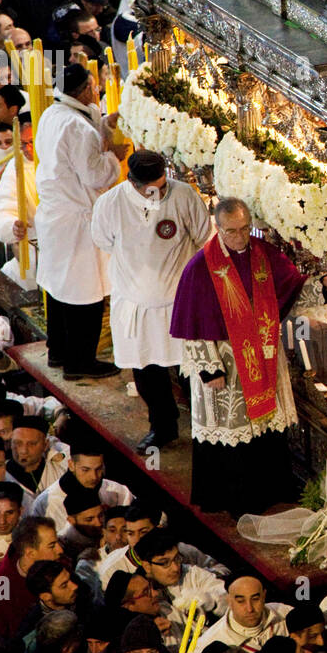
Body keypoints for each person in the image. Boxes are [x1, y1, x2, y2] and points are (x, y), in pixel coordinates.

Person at [169, 197, 327, 515]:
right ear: (218, 227)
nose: (240, 237)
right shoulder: (201, 267)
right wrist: (209, 369)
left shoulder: (264, 254)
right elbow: (194, 325)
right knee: (234, 431)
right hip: (227, 366)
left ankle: (273, 489)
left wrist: (323, 285)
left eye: (245, 229)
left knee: (267, 429)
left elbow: (292, 290)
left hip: (266, 355)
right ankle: (237, 498)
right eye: (231, 231)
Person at [91, 150, 211, 453]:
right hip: (135, 305)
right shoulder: (110, 203)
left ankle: (205, 429)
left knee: (191, 371)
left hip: (179, 302)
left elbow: (202, 238)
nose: (157, 193)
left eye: (161, 185)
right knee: (147, 374)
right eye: (149, 189)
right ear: (131, 182)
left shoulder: (183, 195)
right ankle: (163, 428)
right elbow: (102, 240)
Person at [34, 64, 128, 379]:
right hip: (76, 219)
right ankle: (80, 363)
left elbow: (77, 143)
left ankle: (58, 353)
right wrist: (114, 154)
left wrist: (104, 123)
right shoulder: (80, 128)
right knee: (85, 294)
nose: (97, 91)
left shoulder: (52, 113)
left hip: (54, 215)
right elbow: (95, 174)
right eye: (94, 86)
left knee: (59, 290)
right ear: (86, 89)